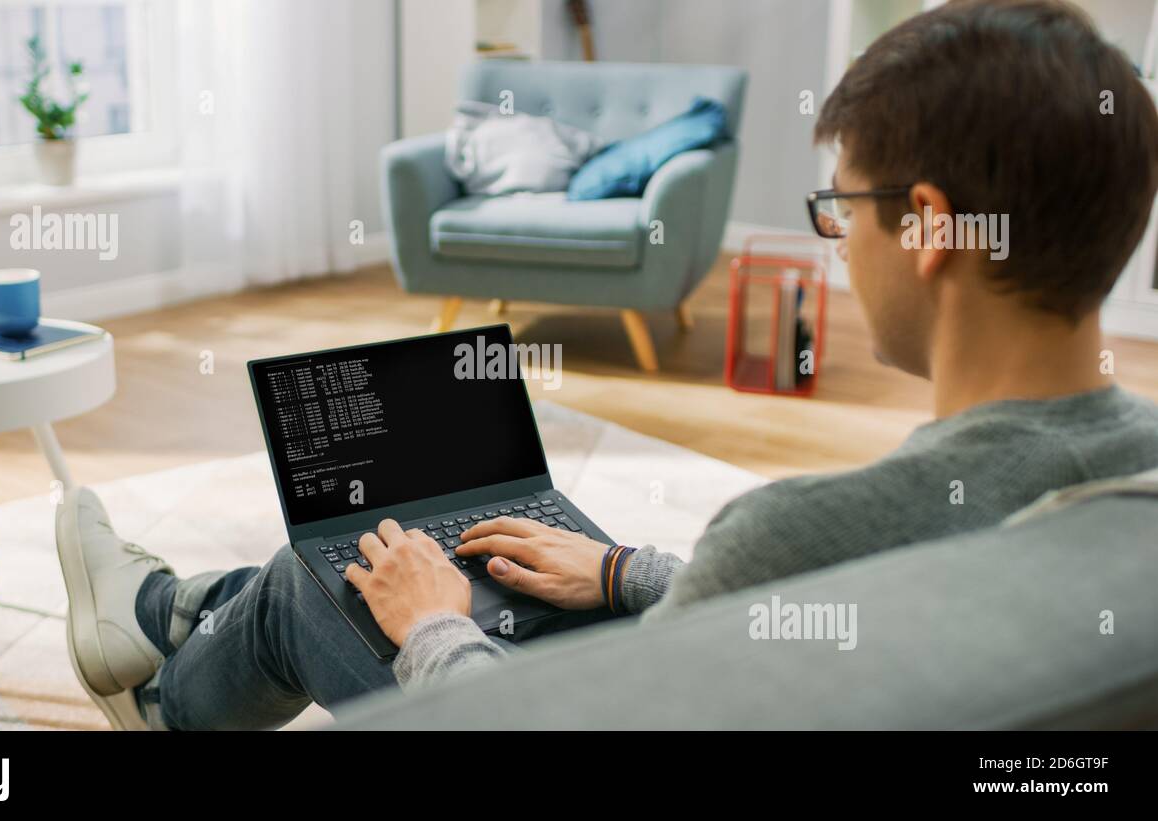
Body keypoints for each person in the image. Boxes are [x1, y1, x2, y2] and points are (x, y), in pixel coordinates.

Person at [58, 0, 1158, 729]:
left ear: (925, 229)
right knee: (478, 568)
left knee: (334, 574)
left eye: (841, 208)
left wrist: (433, 625)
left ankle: (166, 673)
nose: (838, 241)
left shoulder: (800, 533)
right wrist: (627, 571)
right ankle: (173, 604)